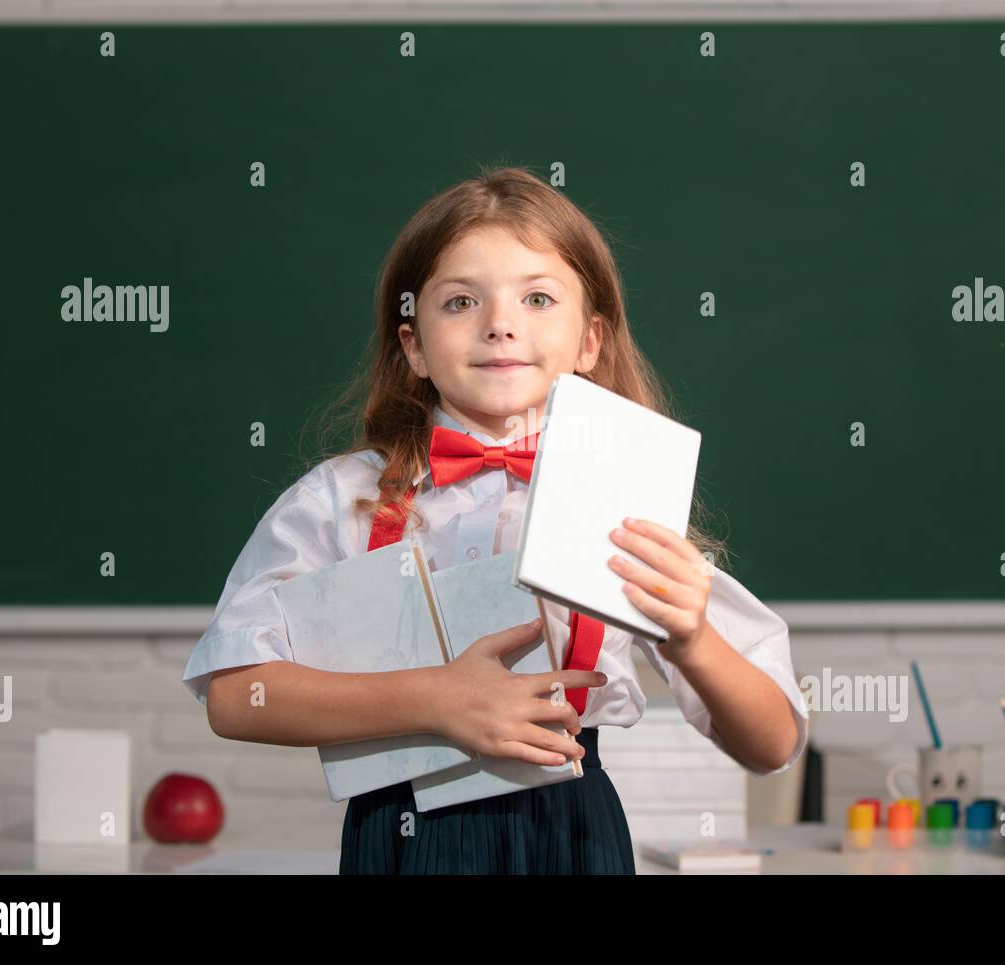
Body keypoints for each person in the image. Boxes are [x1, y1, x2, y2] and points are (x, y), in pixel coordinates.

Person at [181, 166, 809, 874]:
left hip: (572, 835)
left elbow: (772, 741)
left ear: (590, 341)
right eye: (460, 301)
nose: (501, 323)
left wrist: (692, 638)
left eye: (538, 297)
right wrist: (433, 699)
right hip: (402, 838)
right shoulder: (339, 499)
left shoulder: (622, 494)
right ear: (413, 344)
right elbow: (236, 696)